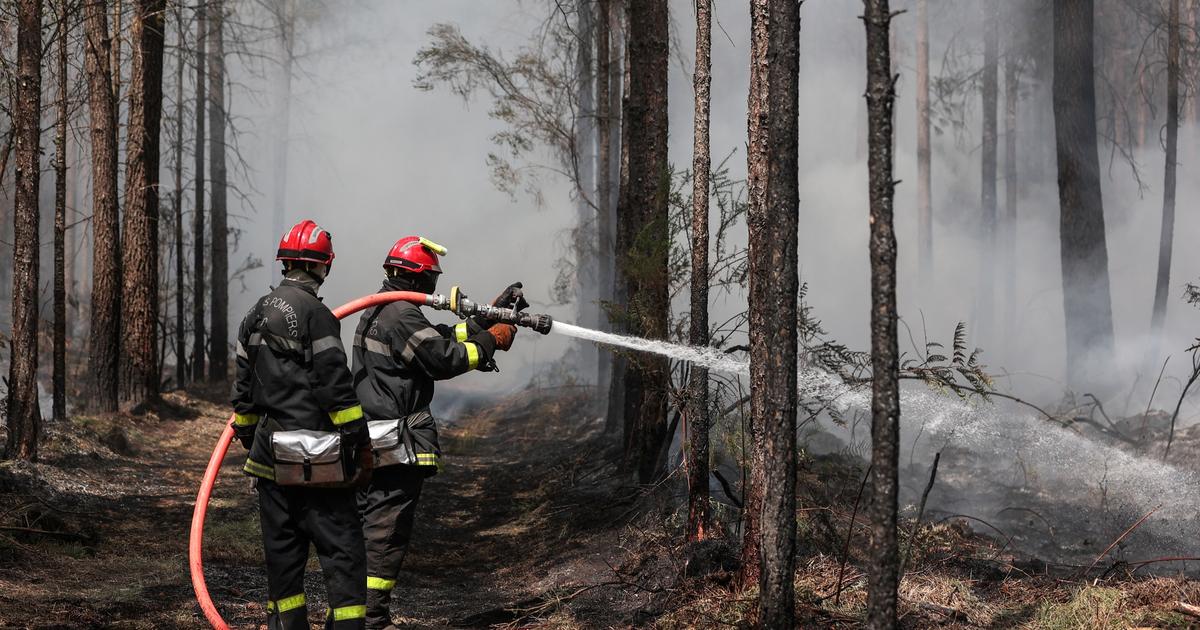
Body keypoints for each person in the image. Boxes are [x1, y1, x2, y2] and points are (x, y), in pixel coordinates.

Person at [352, 236, 520, 629]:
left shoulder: (384, 308)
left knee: (367, 528)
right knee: (385, 534)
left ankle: (352, 616)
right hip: (394, 447)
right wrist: (491, 340)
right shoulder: (401, 314)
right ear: (417, 277)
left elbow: (436, 338)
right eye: (431, 278)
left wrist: (483, 319)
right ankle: (372, 620)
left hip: (373, 441)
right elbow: (442, 358)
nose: (433, 286)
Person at [231, 219, 373, 629]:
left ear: (286, 263)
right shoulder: (316, 314)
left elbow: (243, 390)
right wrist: (359, 442)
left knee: (283, 567)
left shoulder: (254, 313)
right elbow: (335, 387)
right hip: (317, 464)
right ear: (321, 265)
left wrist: (251, 436)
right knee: (343, 559)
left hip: (269, 463)